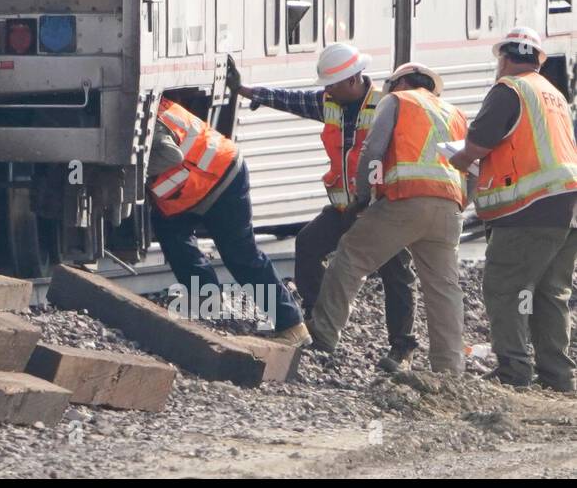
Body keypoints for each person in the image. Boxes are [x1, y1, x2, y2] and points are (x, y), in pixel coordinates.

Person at [235, 44, 420, 370]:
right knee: (308, 244)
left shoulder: (385, 107)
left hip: (381, 208)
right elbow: (294, 100)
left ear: (354, 80)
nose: (327, 90)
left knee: (396, 273)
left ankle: (402, 349)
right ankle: (319, 319)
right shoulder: (331, 102)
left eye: (333, 84)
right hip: (345, 208)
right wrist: (252, 92)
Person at [309, 63, 468, 373]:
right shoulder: (454, 113)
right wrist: (460, 204)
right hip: (449, 206)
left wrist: (363, 197)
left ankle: (323, 337)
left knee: (351, 255)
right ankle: (449, 369)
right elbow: (473, 167)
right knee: (443, 288)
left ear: (402, 82)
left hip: (405, 200)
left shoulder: (397, 101)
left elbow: (372, 151)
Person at [450, 27, 577, 392]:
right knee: (550, 292)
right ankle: (558, 376)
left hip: (529, 209)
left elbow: (478, 143)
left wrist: (458, 159)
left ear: (504, 59)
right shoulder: (554, 94)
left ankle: (514, 370)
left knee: (507, 287)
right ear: (538, 60)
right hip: (567, 207)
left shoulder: (509, 89)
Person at [147, 95, 309, 345]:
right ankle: (205, 299)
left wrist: (135, 170)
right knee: (171, 233)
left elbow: (171, 156)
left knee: (240, 255)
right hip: (201, 183)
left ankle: (291, 325)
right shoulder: (156, 105)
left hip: (219, 179)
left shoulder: (150, 120)